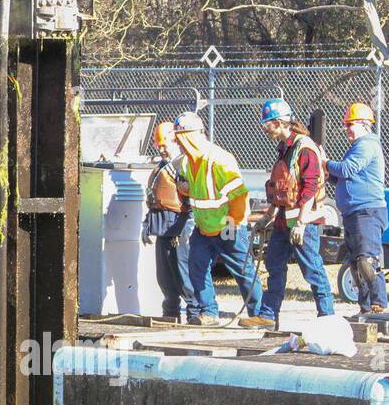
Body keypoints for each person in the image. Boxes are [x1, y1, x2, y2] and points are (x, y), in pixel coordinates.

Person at [240, 99, 333, 329]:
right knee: (274, 264)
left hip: (304, 221)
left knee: (312, 268)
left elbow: (310, 186)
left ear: (279, 122)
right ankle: (268, 316)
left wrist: (301, 222)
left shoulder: (305, 148)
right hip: (284, 218)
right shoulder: (284, 148)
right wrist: (267, 216)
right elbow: (281, 186)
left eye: (267, 124)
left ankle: (328, 317)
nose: (264, 128)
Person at [172, 110, 263, 325]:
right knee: (197, 267)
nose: (179, 144)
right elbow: (201, 190)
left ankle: (260, 314)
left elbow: (239, 196)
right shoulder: (187, 162)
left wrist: (231, 225)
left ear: (192, 135)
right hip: (204, 228)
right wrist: (185, 188)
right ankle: (209, 312)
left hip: (227, 225)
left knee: (242, 271)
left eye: (181, 138)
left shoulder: (219, 159)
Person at [328, 102, 388, 314]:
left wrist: (325, 163)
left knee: (367, 261)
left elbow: (347, 169)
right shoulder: (357, 147)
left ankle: (378, 304)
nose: (346, 129)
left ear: (364, 125)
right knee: (355, 264)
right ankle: (366, 308)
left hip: (367, 212)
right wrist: (329, 174)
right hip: (354, 213)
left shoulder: (367, 144)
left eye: (350, 124)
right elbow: (346, 178)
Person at [142, 121, 195, 322]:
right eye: (160, 146)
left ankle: (195, 314)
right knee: (165, 279)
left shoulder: (185, 164)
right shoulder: (162, 168)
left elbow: (194, 198)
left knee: (184, 277)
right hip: (162, 227)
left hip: (180, 225)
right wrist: (147, 224)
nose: (162, 150)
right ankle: (170, 315)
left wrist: (188, 229)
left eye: (165, 145)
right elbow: (153, 198)